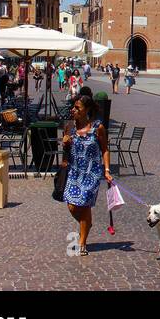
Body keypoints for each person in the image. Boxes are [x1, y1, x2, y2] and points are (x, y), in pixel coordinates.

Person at [61, 94, 112, 257]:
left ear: (87, 110)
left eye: (77, 108)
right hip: (74, 172)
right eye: (73, 107)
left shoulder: (98, 128)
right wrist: (65, 143)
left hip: (92, 174)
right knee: (72, 205)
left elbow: (104, 149)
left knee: (83, 204)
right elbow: (66, 151)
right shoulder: (69, 126)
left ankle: (82, 242)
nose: (73, 110)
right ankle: (87, 223)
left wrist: (107, 170)